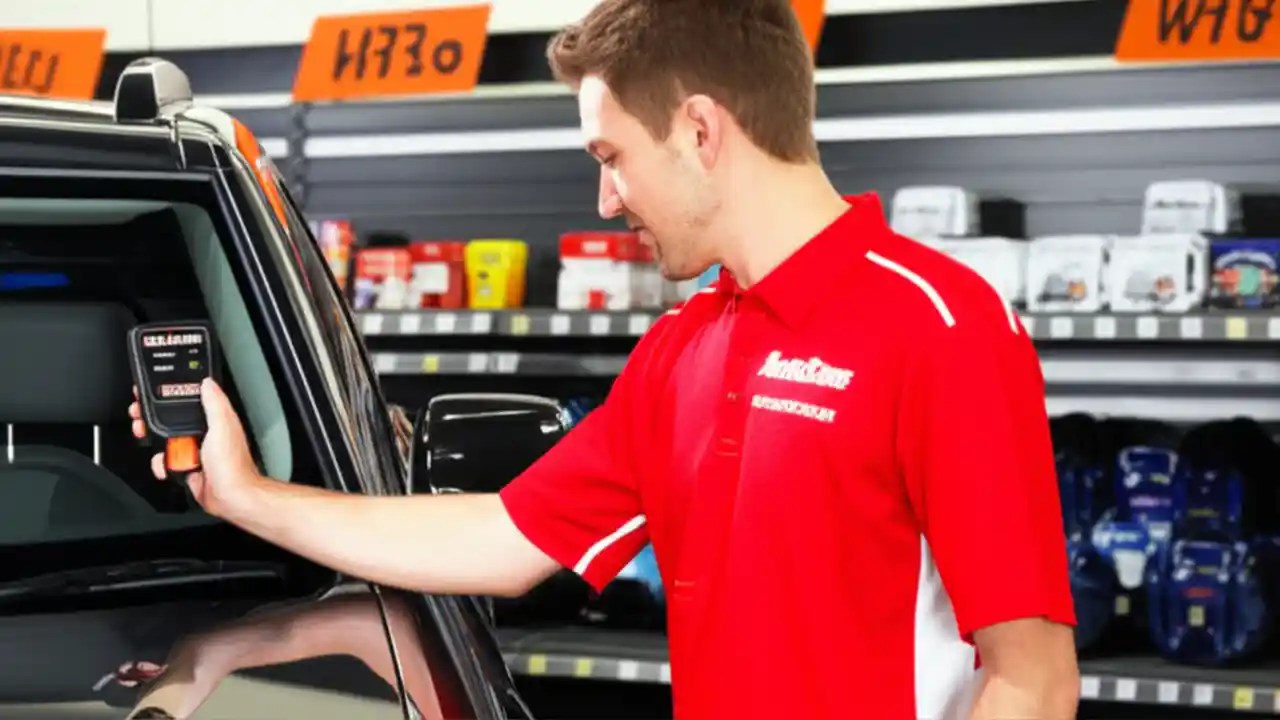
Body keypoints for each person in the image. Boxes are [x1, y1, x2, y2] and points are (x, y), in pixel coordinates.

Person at [128, 0, 1080, 717]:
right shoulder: (682, 350)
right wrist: (243, 495)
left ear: (701, 132)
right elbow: (501, 542)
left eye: (613, 155)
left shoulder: (940, 325)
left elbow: (1033, 681)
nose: (604, 199)